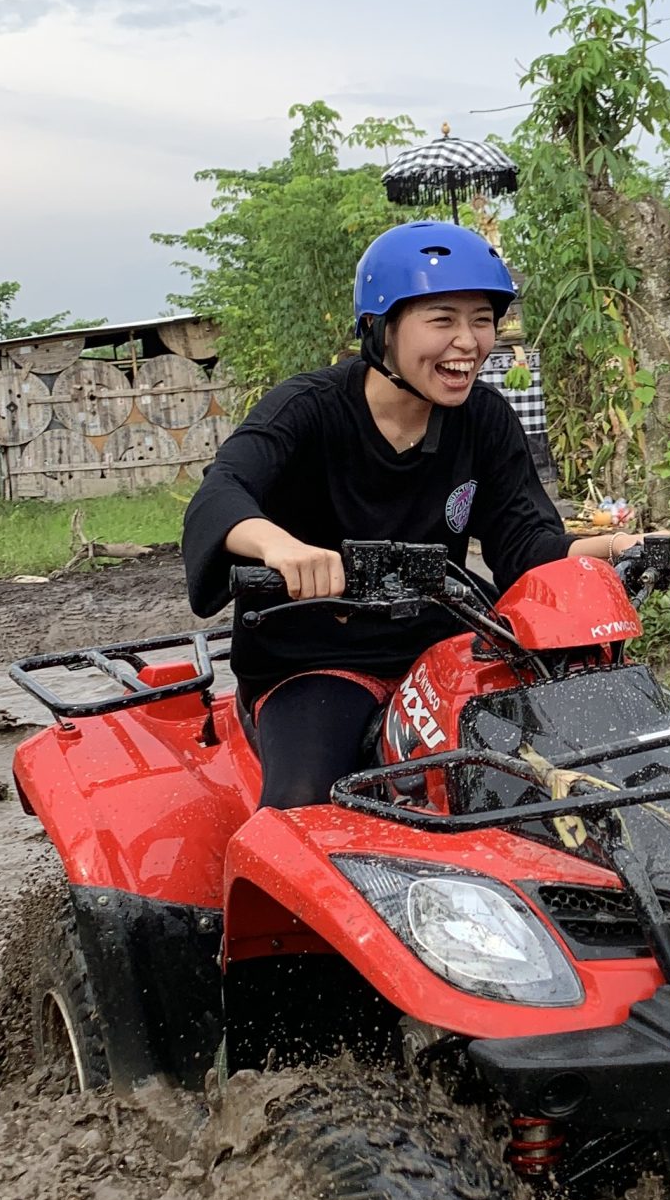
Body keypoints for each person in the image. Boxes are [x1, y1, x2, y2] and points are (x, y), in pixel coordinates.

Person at [183, 222, 634, 808]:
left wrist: (611, 550)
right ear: (379, 331)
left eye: (481, 319)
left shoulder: (485, 419)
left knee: (572, 764)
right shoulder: (308, 410)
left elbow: (524, 541)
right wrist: (281, 548)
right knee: (303, 807)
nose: (469, 342)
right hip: (319, 661)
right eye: (442, 320)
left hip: (443, 649)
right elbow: (223, 492)